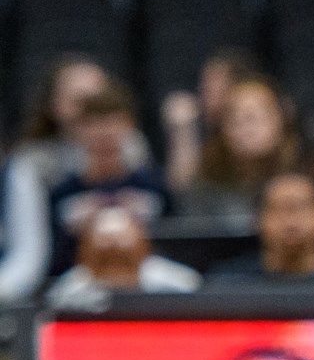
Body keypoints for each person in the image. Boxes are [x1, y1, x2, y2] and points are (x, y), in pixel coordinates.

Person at [1, 57, 148, 304]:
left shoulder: (136, 155)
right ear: (54, 104)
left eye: (100, 101)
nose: (102, 127)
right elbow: (30, 252)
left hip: (135, 272)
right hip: (62, 277)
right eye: (81, 102)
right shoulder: (33, 165)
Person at [46, 87, 170, 279]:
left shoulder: (155, 188)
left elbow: (177, 246)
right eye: (95, 125)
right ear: (79, 131)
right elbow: (47, 260)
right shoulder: (61, 194)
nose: (104, 134)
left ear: (129, 127)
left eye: (112, 125)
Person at [206, 170, 314, 289]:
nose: (291, 219)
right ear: (257, 220)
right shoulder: (226, 286)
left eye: (301, 206)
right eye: (278, 208)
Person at [176, 75, 303, 231]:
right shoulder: (206, 175)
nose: (245, 129)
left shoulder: (306, 169)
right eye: (234, 119)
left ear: (280, 118)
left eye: (253, 118)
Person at [44, 206, 200, 313]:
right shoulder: (67, 294)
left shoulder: (177, 286)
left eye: (123, 257)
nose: (115, 263)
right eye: (104, 258)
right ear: (84, 256)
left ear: (144, 250)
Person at [160, 48, 259, 192]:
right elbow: (182, 189)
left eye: (214, 90)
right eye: (204, 90)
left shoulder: (251, 129)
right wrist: (183, 133)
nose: (205, 99)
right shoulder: (206, 136)